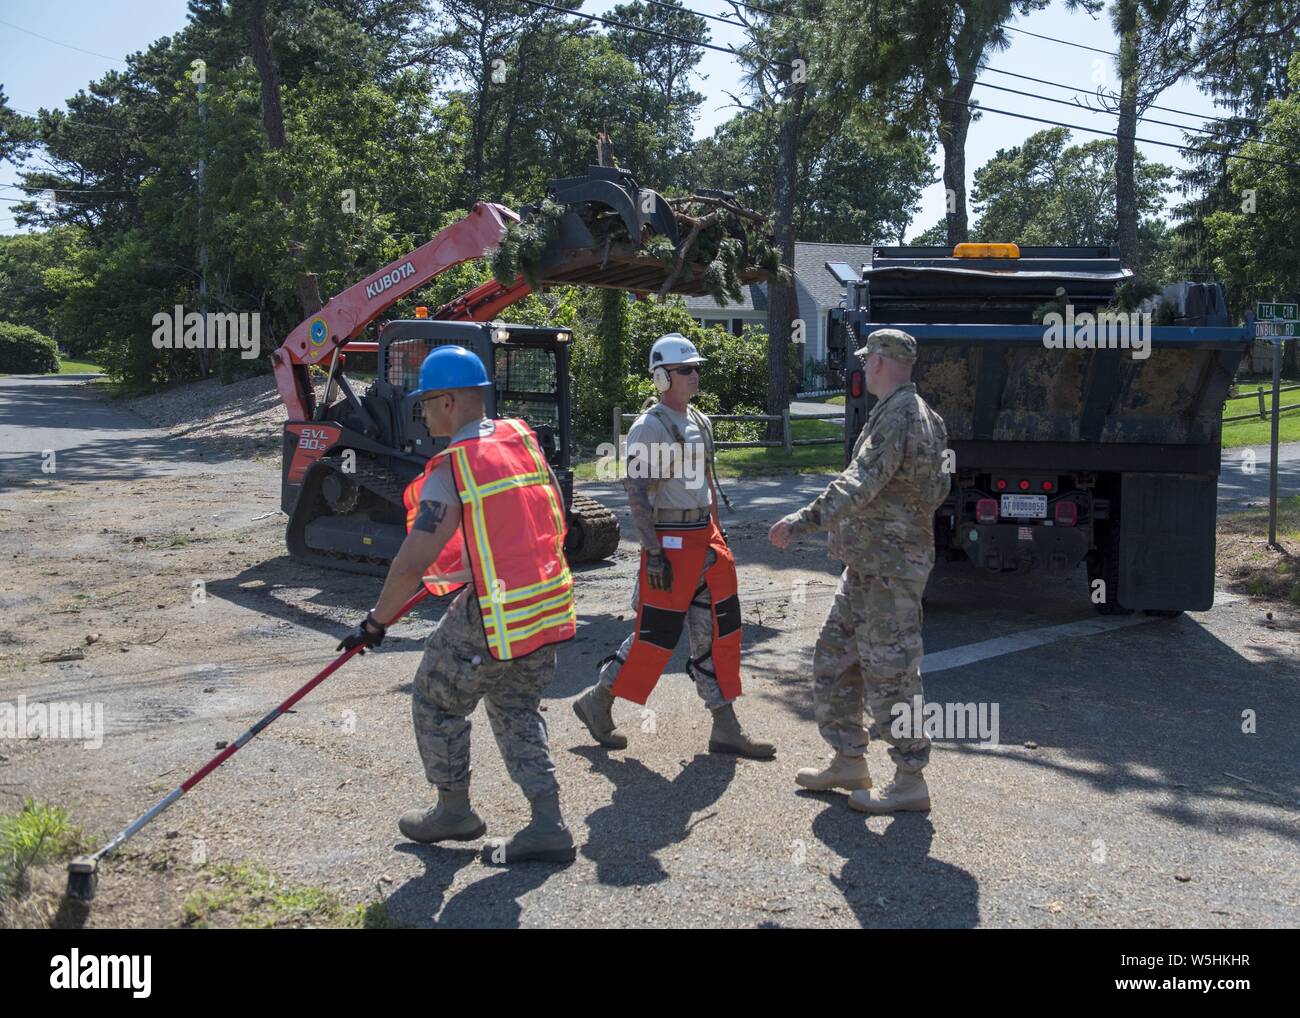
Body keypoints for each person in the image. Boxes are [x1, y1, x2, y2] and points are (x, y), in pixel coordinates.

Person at [339, 344, 577, 863]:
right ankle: (548, 824)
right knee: (517, 707)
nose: (421, 413)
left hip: (491, 614)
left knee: (435, 698)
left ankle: (453, 812)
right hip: (543, 605)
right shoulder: (520, 439)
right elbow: (548, 513)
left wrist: (375, 622)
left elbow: (413, 556)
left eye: (425, 402)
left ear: (448, 402)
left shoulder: (455, 464)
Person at [768, 328, 949, 813]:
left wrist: (801, 521)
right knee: (834, 659)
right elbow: (939, 488)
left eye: (868, 360)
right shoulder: (923, 415)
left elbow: (858, 483)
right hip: (869, 567)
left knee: (891, 674)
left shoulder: (901, 417)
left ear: (881, 363)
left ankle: (910, 778)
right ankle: (849, 759)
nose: (863, 366)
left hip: (888, 572)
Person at [573, 333, 774, 759]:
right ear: (662, 377)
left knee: (719, 631)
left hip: (705, 541)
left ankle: (725, 726)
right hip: (670, 544)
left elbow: (705, 487)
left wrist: (718, 535)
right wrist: (654, 554)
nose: (695, 374)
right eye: (685, 369)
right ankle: (597, 700)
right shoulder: (650, 427)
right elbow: (637, 494)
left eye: (696, 367)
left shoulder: (699, 421)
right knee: (655, 637)